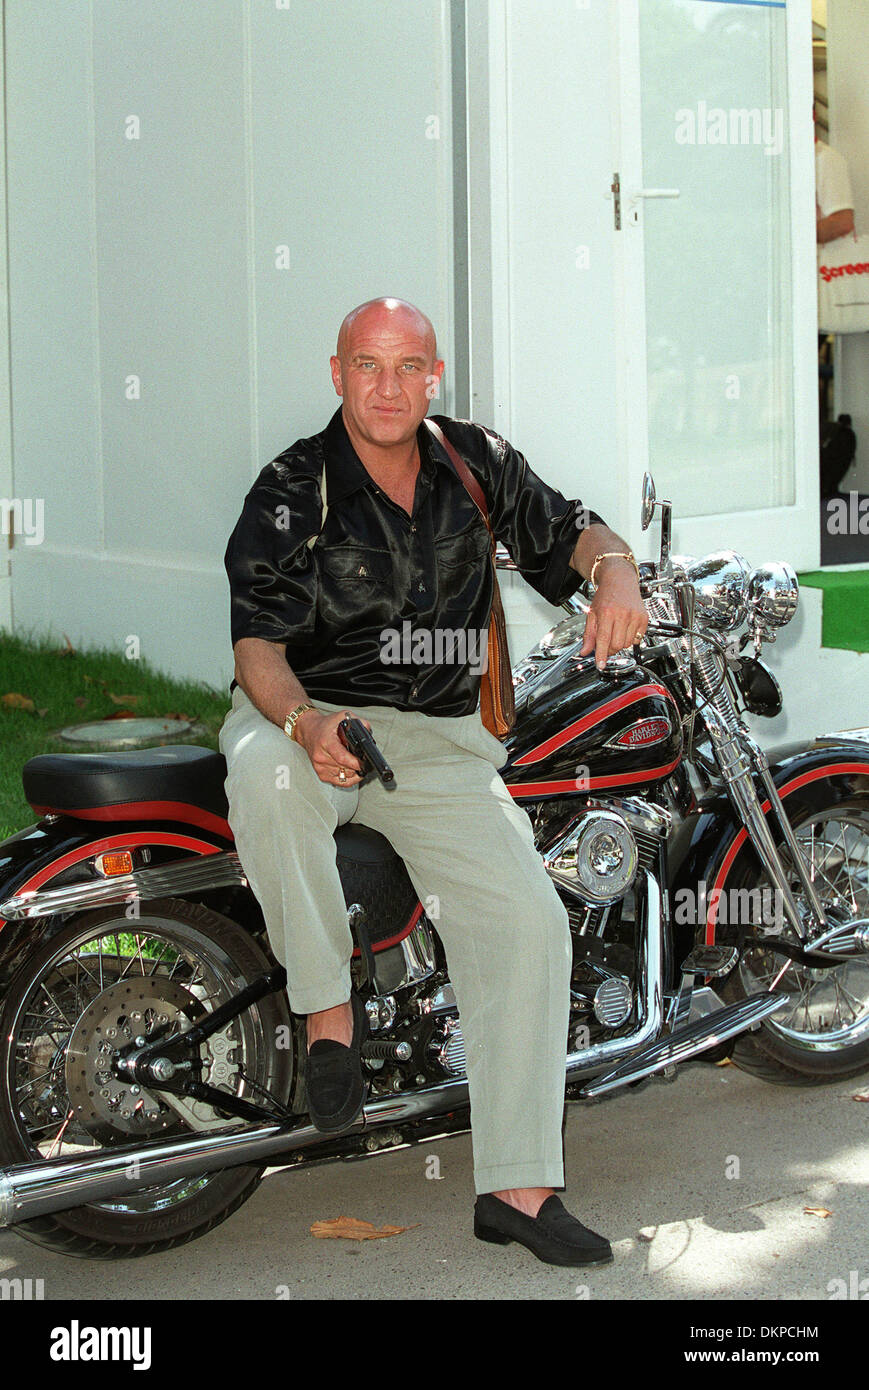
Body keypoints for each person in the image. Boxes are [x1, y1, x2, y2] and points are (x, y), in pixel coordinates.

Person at [219, 296, 647, 1267]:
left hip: (432, 740)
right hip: (304, 712)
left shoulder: (472, 462)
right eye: (366, 365)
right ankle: (329, 1014)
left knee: (529, 922)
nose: (387, 385)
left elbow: (569, 531)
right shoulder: (293, 485)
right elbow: (258, 645)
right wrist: (305, 721)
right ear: (336, 375)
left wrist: (616, 573)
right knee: (271, 784)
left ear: (434, 375)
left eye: (407, 366)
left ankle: (518, 1187)